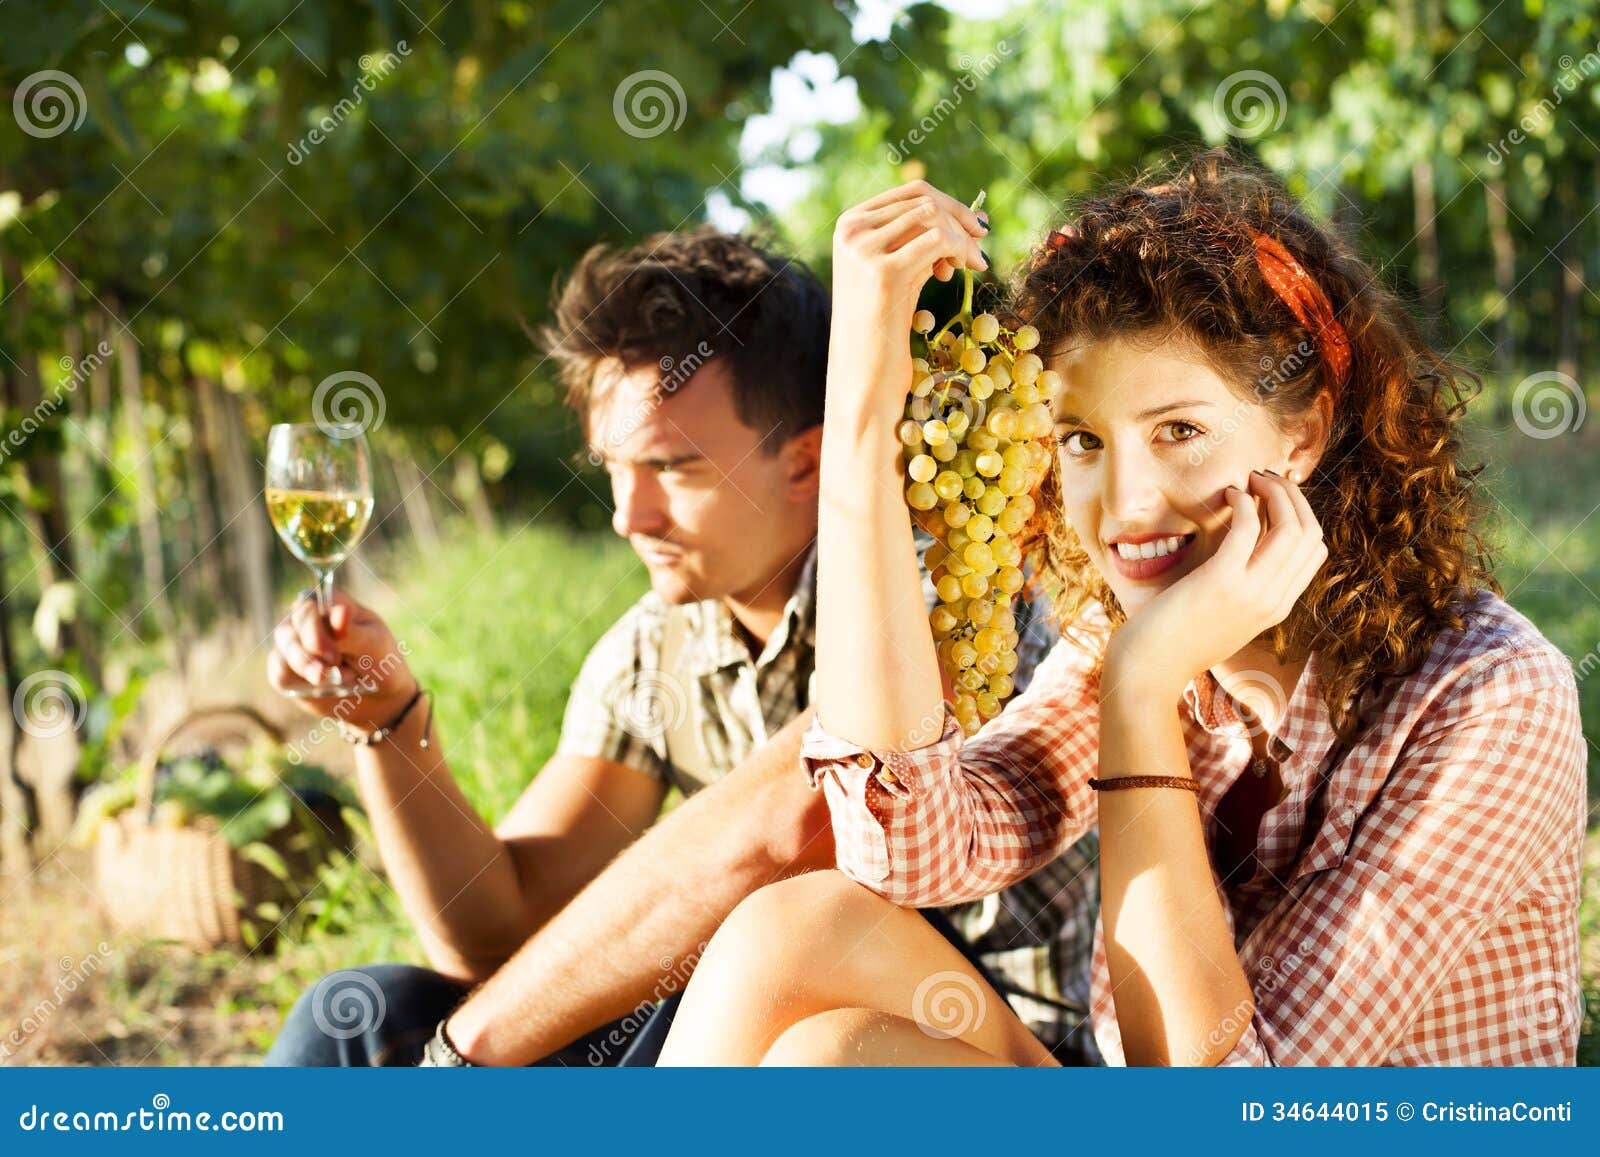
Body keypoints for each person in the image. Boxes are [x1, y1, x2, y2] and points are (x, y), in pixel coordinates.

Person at [656, 154, 1588, 1067]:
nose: (1127, 503)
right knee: (793, 932)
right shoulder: (1127, 636)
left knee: (830, 1065)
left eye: (1179, 431)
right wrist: (862, 419)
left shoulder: (1492, 698)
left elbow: (1220, 1104)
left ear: (1301, 435)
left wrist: (1140, 690)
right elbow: (908, 847)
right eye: (1083, 440)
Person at [263, 228, 1098, 1067]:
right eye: (615, 469)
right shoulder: (658, 645)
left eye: (674, 469)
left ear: (807, 462)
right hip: (761, 1017)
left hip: (974, 1049)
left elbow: (792, 818)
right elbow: (500, 934)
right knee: (362, 1019)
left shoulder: (955, 584)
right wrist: (388, 723)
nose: (631, 516)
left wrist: (456, 1060)